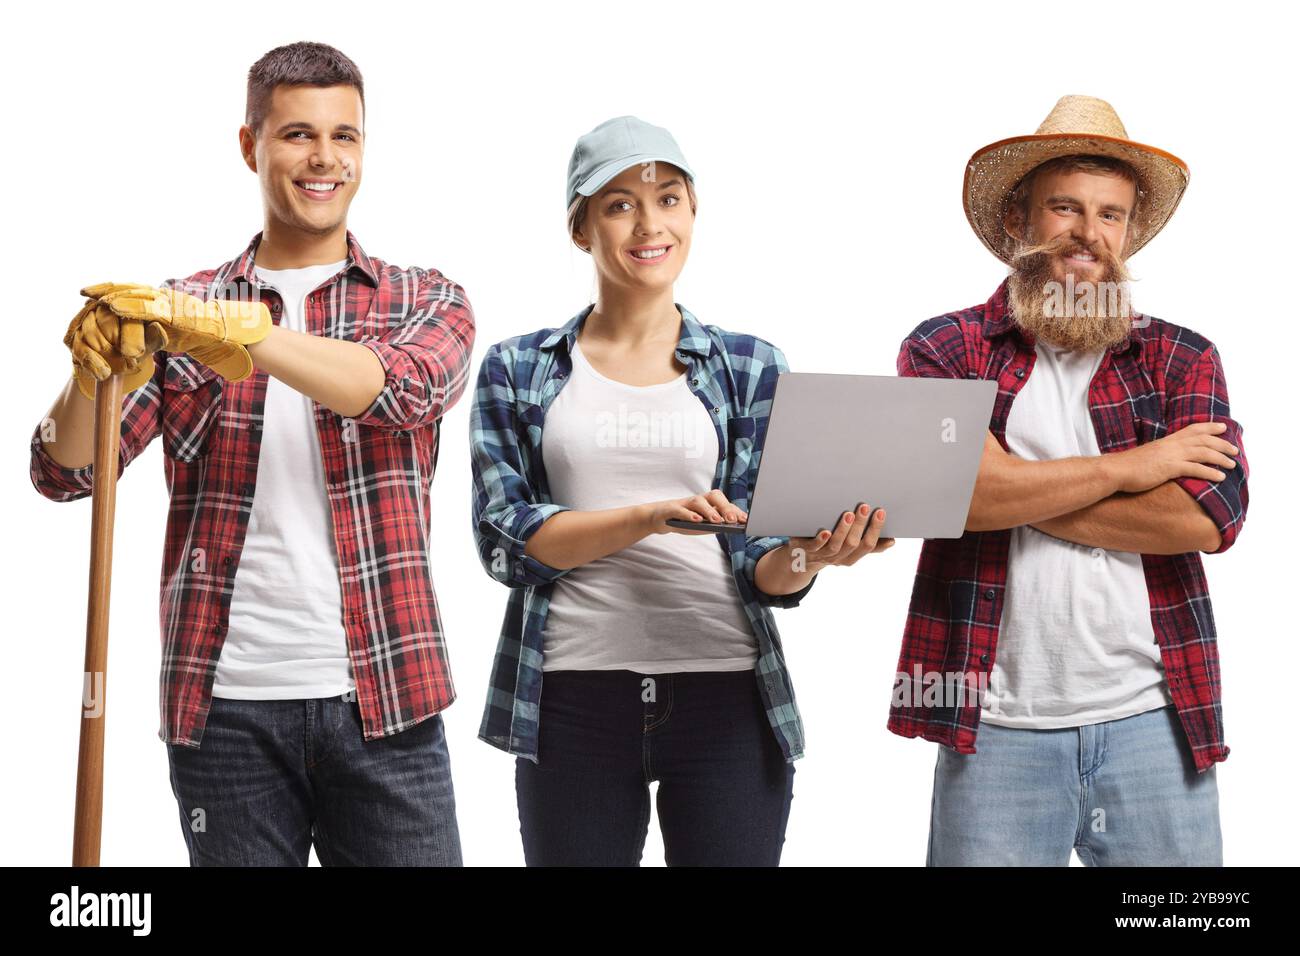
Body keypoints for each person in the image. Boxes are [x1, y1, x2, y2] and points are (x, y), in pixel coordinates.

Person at [31, 41, 474, 866]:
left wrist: (244, 333)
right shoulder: (176, 310)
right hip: (225, 712)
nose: (325, 159)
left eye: (346, 137)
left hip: (386, 702)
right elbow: (66, 471)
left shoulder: (426, 299)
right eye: (299, 134)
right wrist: (93, 372)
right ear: (251, 146)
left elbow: (398, 389)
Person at [469, 115, 895, 866]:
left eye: (668, 199)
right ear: (581, 227)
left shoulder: (751, 365)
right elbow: (505, 541)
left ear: (693, 214)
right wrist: (645, 518)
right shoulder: (518, 367)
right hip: (572, 696)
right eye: (619, 204)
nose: (649, 223)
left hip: (726, 693)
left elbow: (766, 564)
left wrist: (813, 556)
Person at [890, 95, 1249, 866]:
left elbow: (1206, 519)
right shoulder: (946, 348)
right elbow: (959, 497)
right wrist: (1133, 469)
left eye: (1111, 215)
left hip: (1154, 722)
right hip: (992, 729)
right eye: (1066, 207)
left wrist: (1007, 491)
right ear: (1019, 219)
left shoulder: (1181, 357)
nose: (1090, 233)